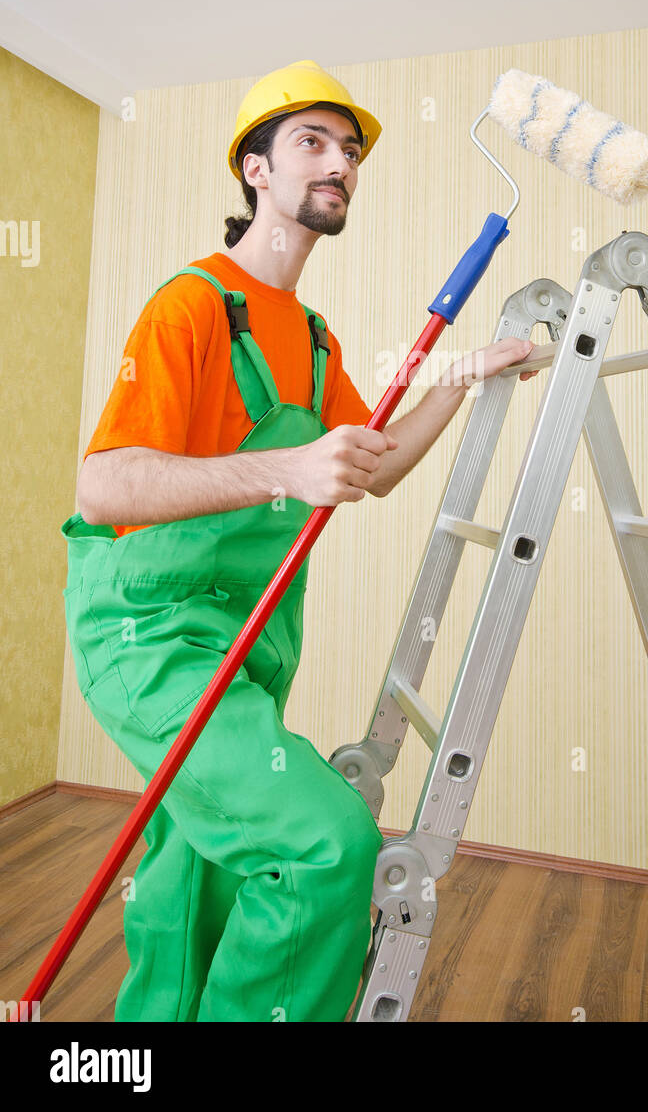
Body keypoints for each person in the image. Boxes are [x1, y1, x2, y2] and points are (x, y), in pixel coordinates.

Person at [63, 59, 536, 1023]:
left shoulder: (312, 336)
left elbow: (375, 464)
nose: (339, 164)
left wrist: (463, 374)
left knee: (197, 867)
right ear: (256, 169)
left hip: (251, 645)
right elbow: (104, 487)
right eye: (311, 142)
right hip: (150, 637)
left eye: (349, 150)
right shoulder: (193, 303)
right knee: (325, 844)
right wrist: (288, 468)